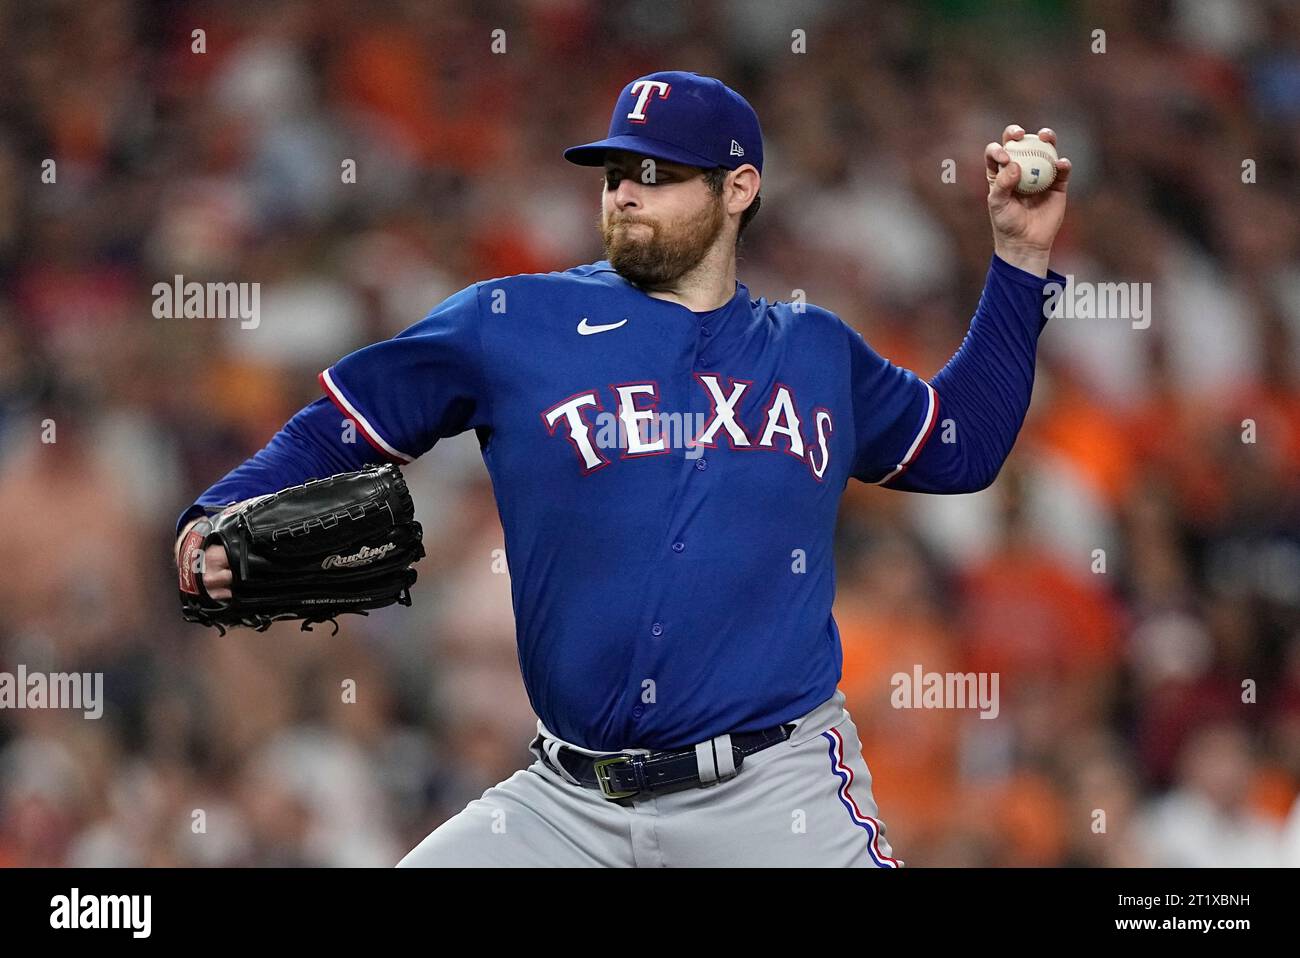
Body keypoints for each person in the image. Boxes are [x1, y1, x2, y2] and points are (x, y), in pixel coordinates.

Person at [175, 70, 1071, 866]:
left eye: (659, 175)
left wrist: (1021, 260)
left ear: (738, 189)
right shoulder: (510, 320)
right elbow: (343, 428)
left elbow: (962, 446)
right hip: (566, 807)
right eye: (615, 174)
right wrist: (222, 508)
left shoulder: (813, 352)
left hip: (772, 796)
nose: (627, 195)